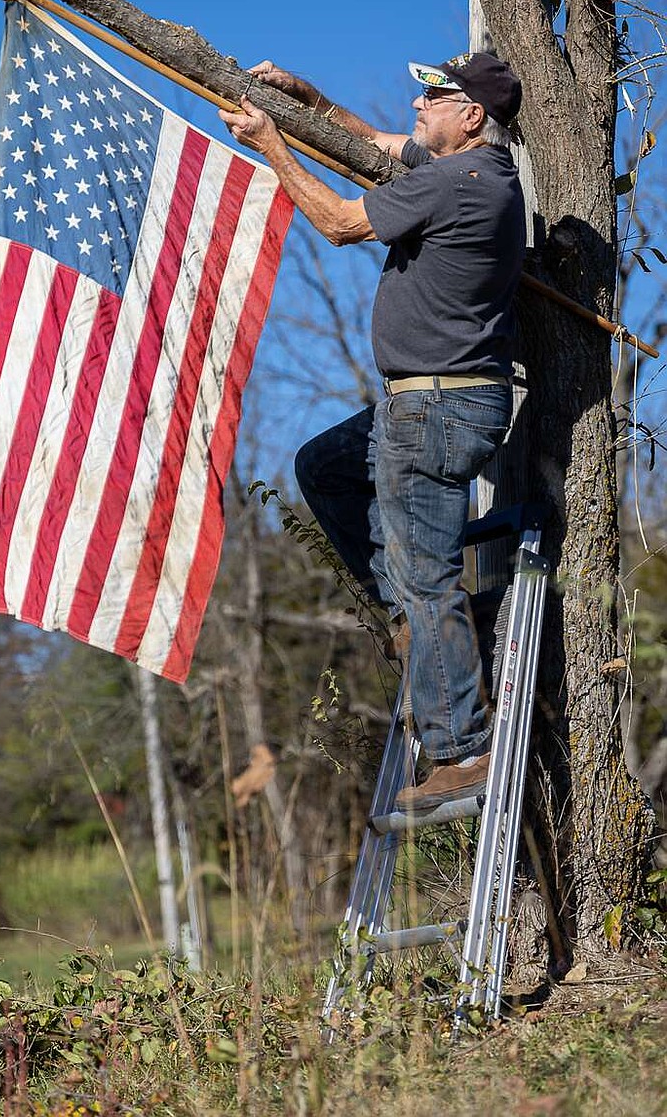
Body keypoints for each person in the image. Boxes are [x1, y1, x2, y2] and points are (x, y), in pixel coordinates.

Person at [219, 51, 526, 812]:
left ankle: (461, 750)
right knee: (323, 465)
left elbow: (335, 222)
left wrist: (271, 144)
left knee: (428, 581)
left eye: (435, 95)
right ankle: (405, 624)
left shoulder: (457, 182)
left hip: (434, 409)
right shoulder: (474, 171)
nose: (419, 102)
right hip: (430, 404)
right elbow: (375, 144)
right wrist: (310, 98)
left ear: (473, 116)